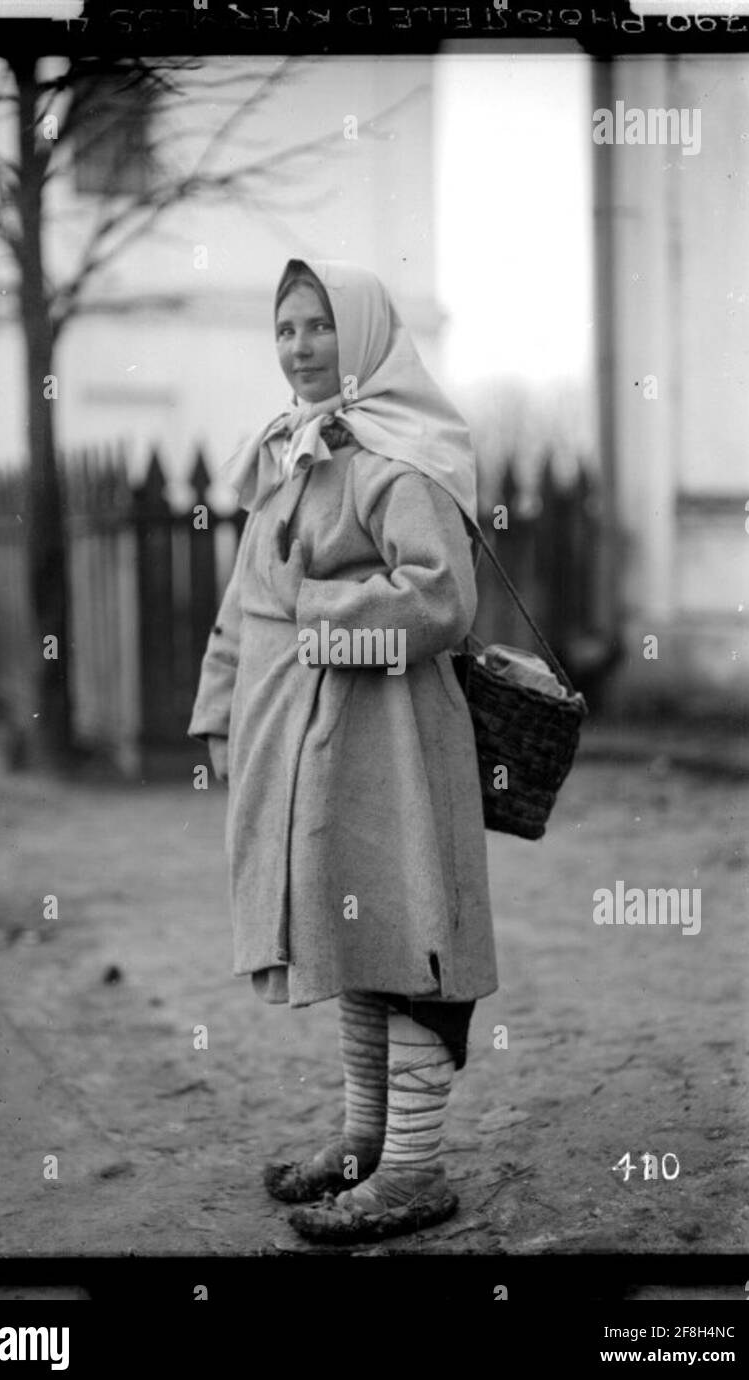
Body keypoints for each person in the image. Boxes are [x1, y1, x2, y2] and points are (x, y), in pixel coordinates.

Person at [188, 257, 498, 1243]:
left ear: (362, 335)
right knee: (349, 929)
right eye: (285, 329)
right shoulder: (289, 456)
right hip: (308, 750)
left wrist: (321, 611)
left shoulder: (399, 463)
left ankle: (414, 1168)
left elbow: (442, 598)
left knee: (405, 933)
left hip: (392, 746)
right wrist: (222, 711)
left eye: (319, 326)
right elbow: (245, 602)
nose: (300, 346)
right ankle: (367, 1138)